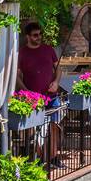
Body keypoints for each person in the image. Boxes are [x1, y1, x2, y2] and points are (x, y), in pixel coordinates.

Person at [17, 21, 61, 159]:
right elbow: (17, 76)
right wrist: (26, 92)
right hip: (33, 99)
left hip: (51, 96)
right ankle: (40, 157)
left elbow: (58, 68)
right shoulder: (22, 53)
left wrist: (56, 82)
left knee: (54, 126)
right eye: (35, 35)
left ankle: (53, 156)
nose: (39, 37)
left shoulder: (48, 50)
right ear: (28, 37)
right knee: (33, 128)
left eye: (40, 34)